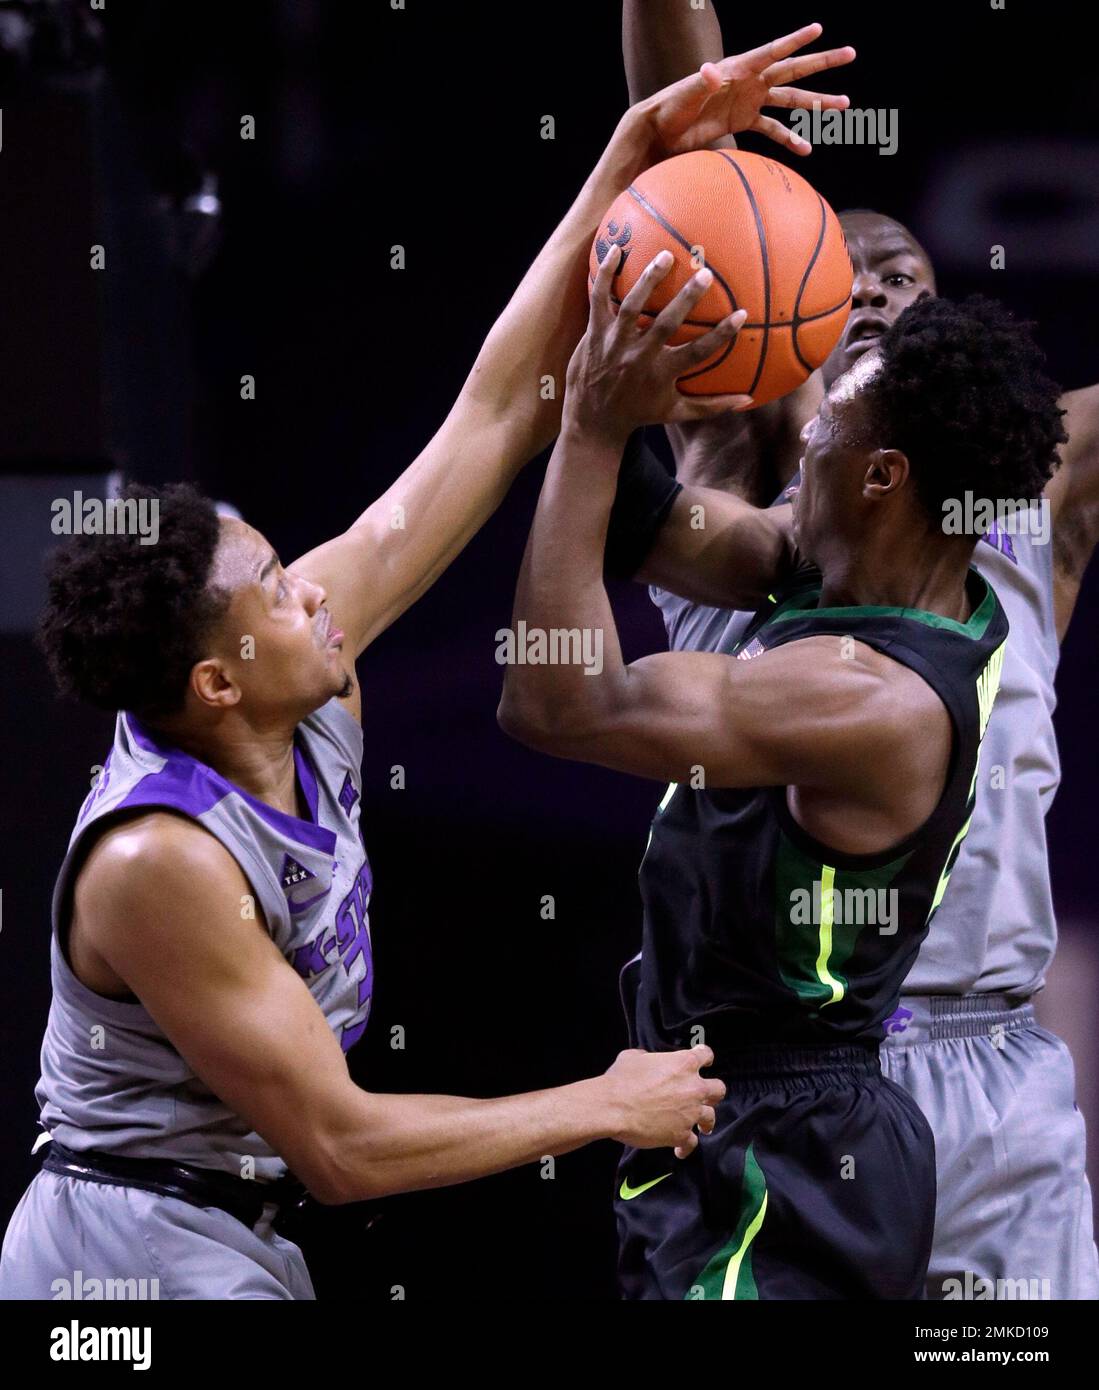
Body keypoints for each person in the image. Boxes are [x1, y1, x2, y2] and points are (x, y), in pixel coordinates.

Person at [0, 28, 860, 1300]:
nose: (317, 587)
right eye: (279, 593)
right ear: (216, 685)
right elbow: (343, 1145)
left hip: (225, 1226)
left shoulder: (302, 663)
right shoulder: (159, 864)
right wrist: (601, 1104)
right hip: (114, 1267)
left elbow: (495, 410)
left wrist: (635, 150)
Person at [615, 0, 1099, 1298]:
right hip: (791, 1074)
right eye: (848, 278)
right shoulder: (739, 501)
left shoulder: (1025, 497)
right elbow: (692, 186)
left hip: (993, 1064)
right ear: (785, 320)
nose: (879, 291)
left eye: (908, 283)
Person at [498, 249, 1065, 1297]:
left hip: (789, 1135)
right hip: (764, 1111)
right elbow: (643, 518)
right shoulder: (857, 581)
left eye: (829, 428)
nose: (805, 434)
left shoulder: (869, 695)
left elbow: (551, 700)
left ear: (882, 475)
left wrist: (587, 422)